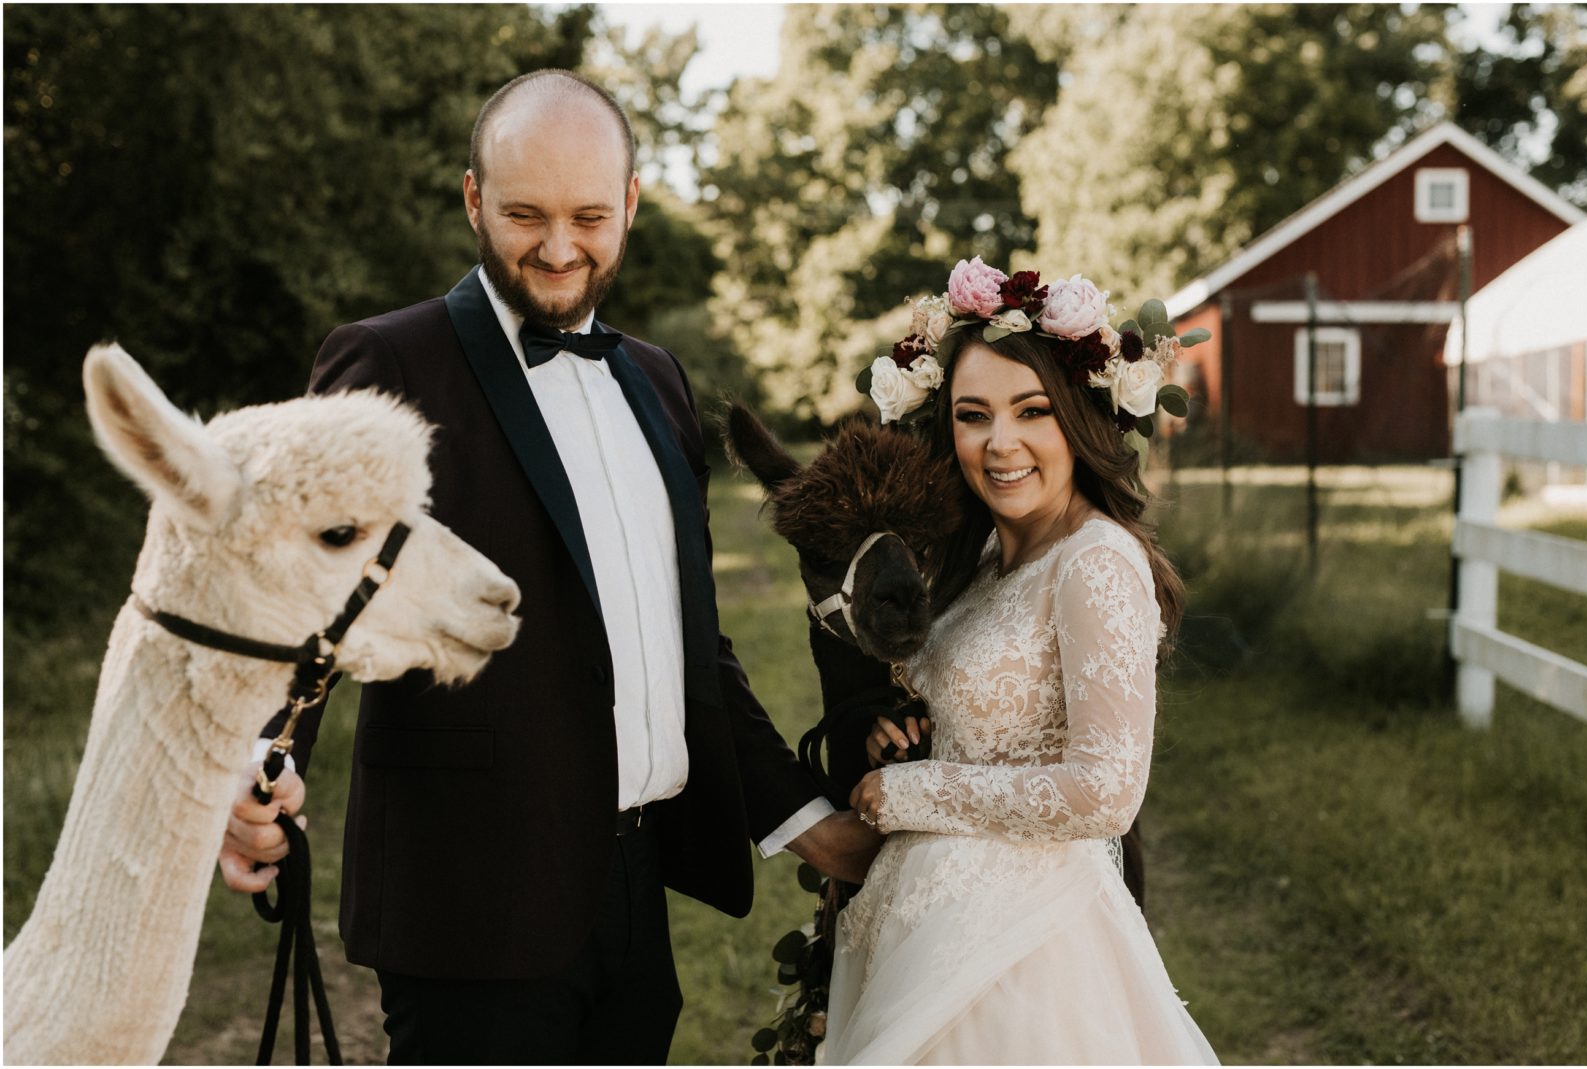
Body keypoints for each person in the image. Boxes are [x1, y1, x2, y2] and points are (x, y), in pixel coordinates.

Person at [216, 69, 881, 1065]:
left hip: (632, 894)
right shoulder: (386, 363)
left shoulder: (658, 379)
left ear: (631, 204)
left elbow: (683, 632)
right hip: (466, 905)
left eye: (588, 216)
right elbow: (296, 594)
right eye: (525, 213)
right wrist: (256, 767)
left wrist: (800, 815)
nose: (560, 247)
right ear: (474, 198)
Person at [822, 264, 1218, 1064]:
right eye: (973, 416)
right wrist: (903, 742)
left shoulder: (1095, 560)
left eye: (1031, 411)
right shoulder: (983, 566)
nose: (1000, 443)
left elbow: (1105, 789)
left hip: (1025, 951)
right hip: (930, 924)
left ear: (1078, 418)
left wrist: (915, 788)